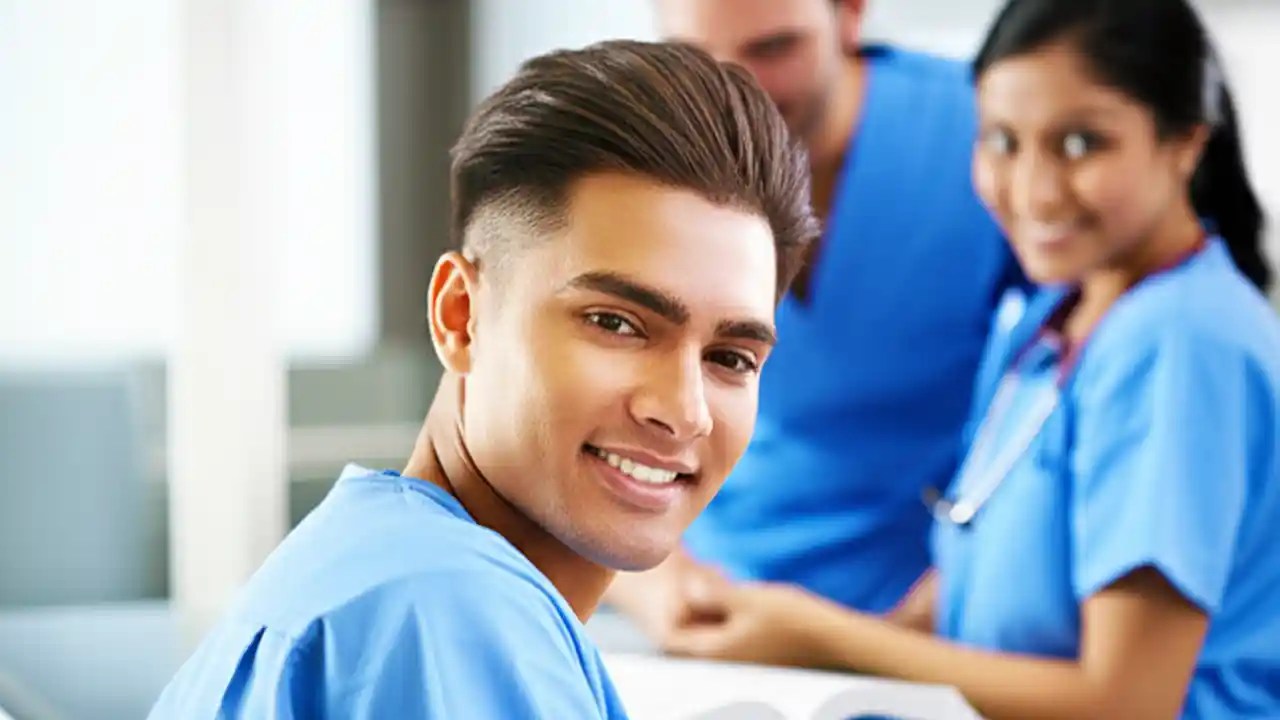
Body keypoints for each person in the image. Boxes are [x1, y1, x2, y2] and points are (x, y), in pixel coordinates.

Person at [146, 40, 818, 719]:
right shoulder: (445, 612)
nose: (683, 411)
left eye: (730, 358)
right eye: (616, 323)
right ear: (460, 315)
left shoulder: (377, 568)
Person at [659, 1, 1280, 718]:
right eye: (1002, 142)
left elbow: (1126, 702)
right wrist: (818, 651)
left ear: (1184, 144)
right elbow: (974, 563)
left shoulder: (1183, 344)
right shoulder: (1054, 319)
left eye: (1082, 144)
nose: (1034, 190)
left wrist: (823, 636)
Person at [608, 0, 1022, 640]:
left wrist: (909, 630)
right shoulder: (639, 161)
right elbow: (558, 420)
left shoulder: (994, 142)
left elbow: (1075, 406)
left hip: (928, 625)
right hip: (704, 609)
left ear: (851, 15)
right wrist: (657, 587)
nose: (734, 95)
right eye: (695, 57)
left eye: (774, 50)